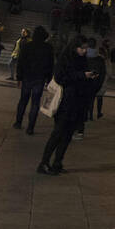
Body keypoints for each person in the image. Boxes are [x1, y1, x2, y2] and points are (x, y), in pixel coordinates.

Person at [38, 36, 96, 175]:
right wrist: (82, 76)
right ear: (74, 47)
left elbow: (81, 77)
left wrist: (89, 77)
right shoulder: (64, 59)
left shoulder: (82, 60)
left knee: (68, 135)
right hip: (64, 102)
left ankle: (58, 162)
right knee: (58, 133)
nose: (84, 51)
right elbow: (61, 78)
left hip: (77, 103)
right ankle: (44, 163)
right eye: (81, 48)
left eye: (86, 48)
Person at [13, 25, 53, 133]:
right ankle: (30, 127)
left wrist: (19, 77)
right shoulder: (48, 48)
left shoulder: (27, 46)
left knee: (23, 100)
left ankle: (18, 122)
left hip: (27, 76)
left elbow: (21, 62)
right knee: (35, 103)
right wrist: (49, 79)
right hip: (39, 78)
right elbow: (50, 64)